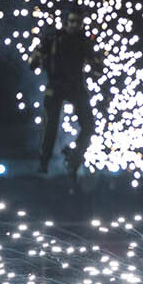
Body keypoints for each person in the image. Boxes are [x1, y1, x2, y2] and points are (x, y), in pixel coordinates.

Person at [30, 10, 101, 178]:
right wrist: (35, 58)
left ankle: (73, 158)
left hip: (75, 86)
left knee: (89, 126)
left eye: (78, 22)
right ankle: (44, 161)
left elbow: (96, 63)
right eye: (72, 21)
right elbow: (36, 55)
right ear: (65, 22)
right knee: (50, 125)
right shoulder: (52, 38)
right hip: (56, 84)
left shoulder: (84, 41)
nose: (75, 25)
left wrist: (98, 64)